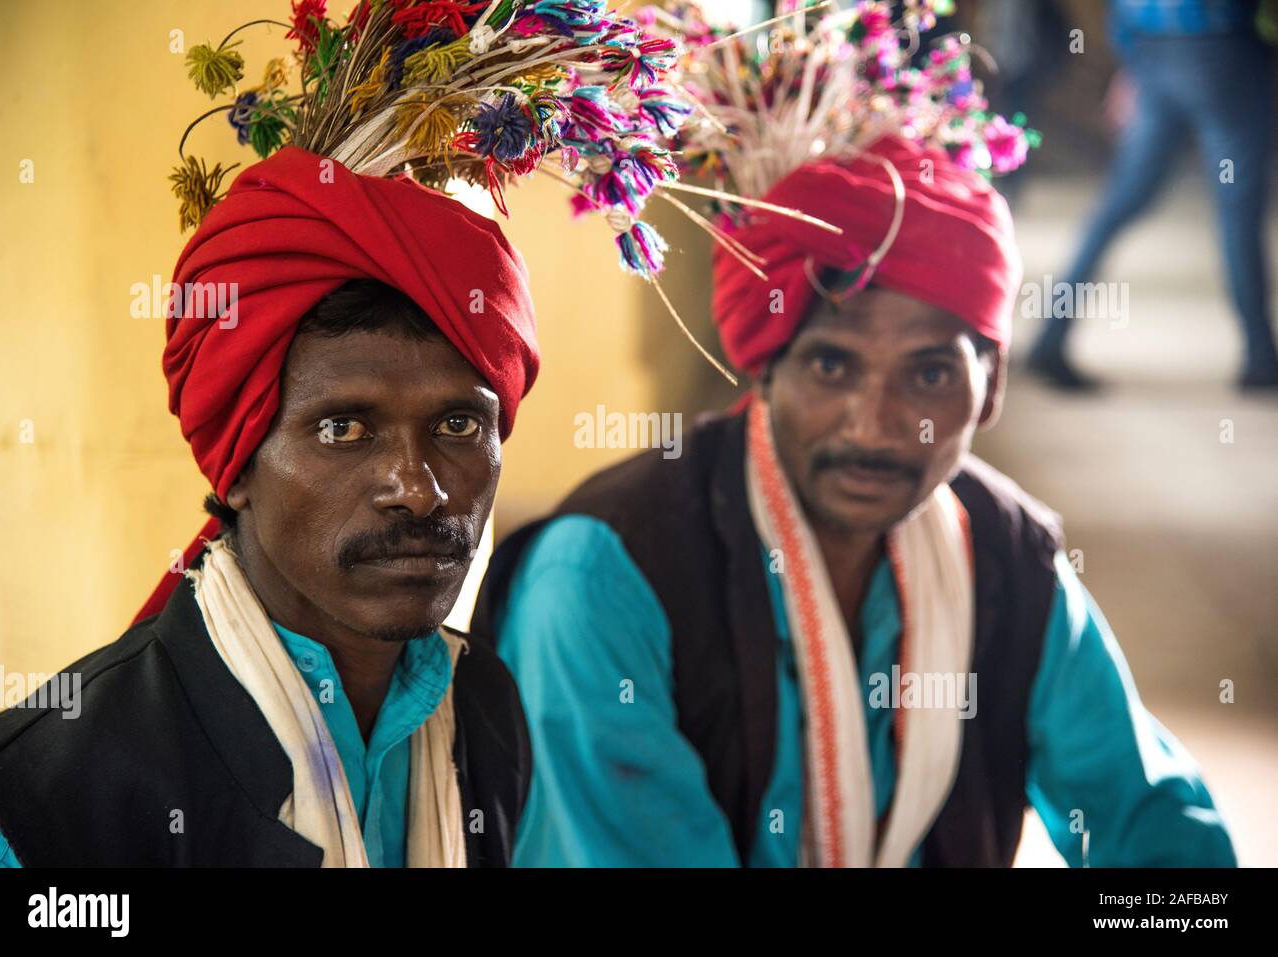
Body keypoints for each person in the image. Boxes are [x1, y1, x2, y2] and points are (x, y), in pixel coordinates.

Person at [471, 5, 1238, 868]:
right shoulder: (604, 576)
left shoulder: (1007, 558)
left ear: (991, 388)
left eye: (931, 373)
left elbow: (1158, 834)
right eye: (832, 365)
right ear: (764, 367)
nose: (876, 425)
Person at [0, 144, 539, 868]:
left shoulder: (486, 711)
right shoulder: (38, 803)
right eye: (343, 429)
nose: (417, 487)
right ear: (238, 464)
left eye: (457, 425)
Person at [1027, 0, 1278, 391]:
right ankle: (1261, 359)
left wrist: (1131, 65)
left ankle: (1050, 338)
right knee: (1239, 212)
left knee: (1118, 206)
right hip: (1226, 49)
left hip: (1152, 53)